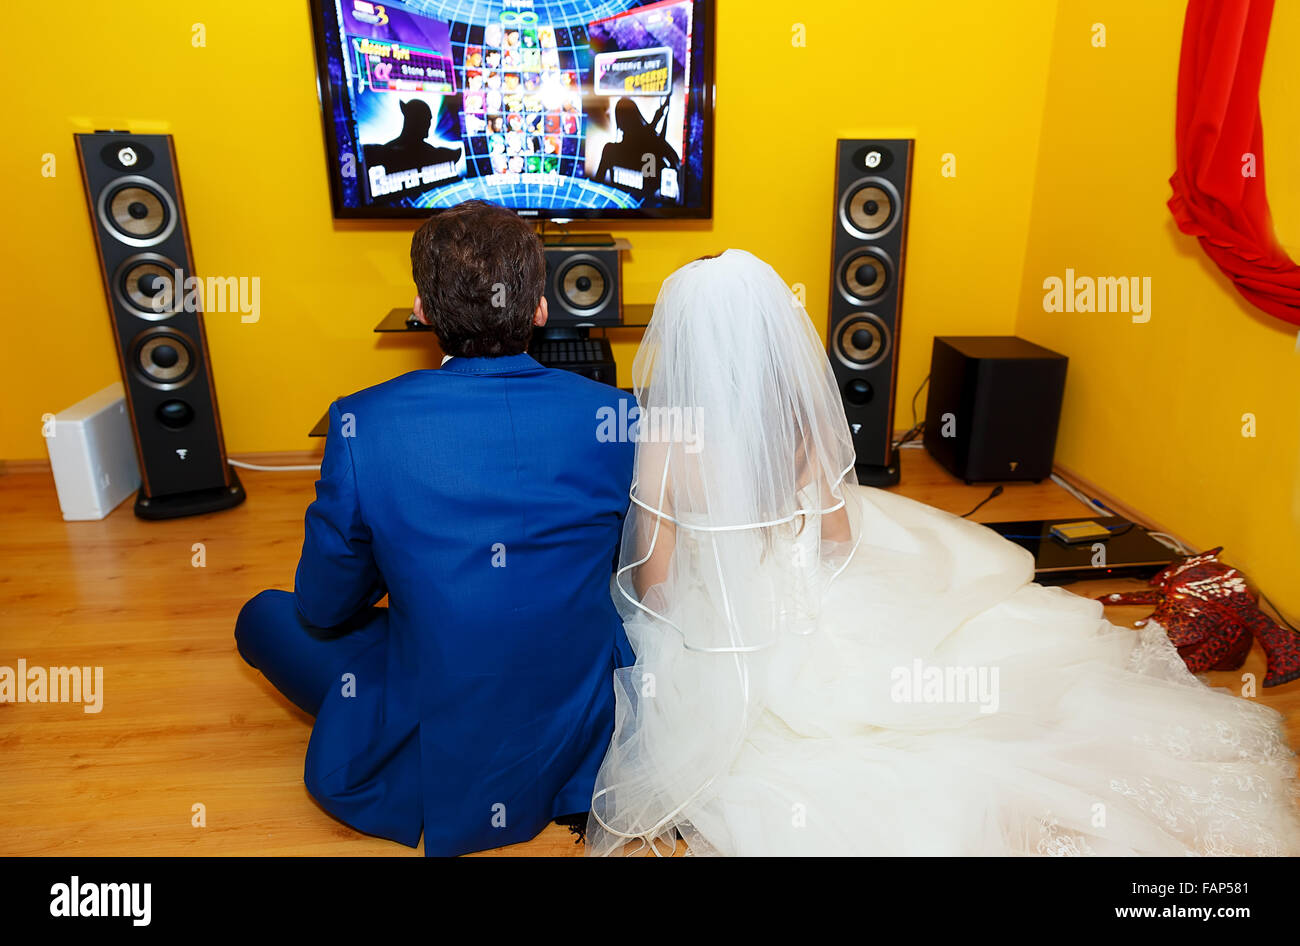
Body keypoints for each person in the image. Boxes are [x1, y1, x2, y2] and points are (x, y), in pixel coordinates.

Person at [586, 248, 1300, 856]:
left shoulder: (664, 438)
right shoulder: (799, 421)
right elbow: (836, 538)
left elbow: (656, 582)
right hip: (800, 607)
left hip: (722, 641)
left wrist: (676, 619)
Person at [236, 200, 636, 856]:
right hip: (580, 710)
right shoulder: (618, 413)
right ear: (540, 308)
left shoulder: (361, 421)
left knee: (264, 616)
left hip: (448, 722)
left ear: (421, 308)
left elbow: (325, 605)